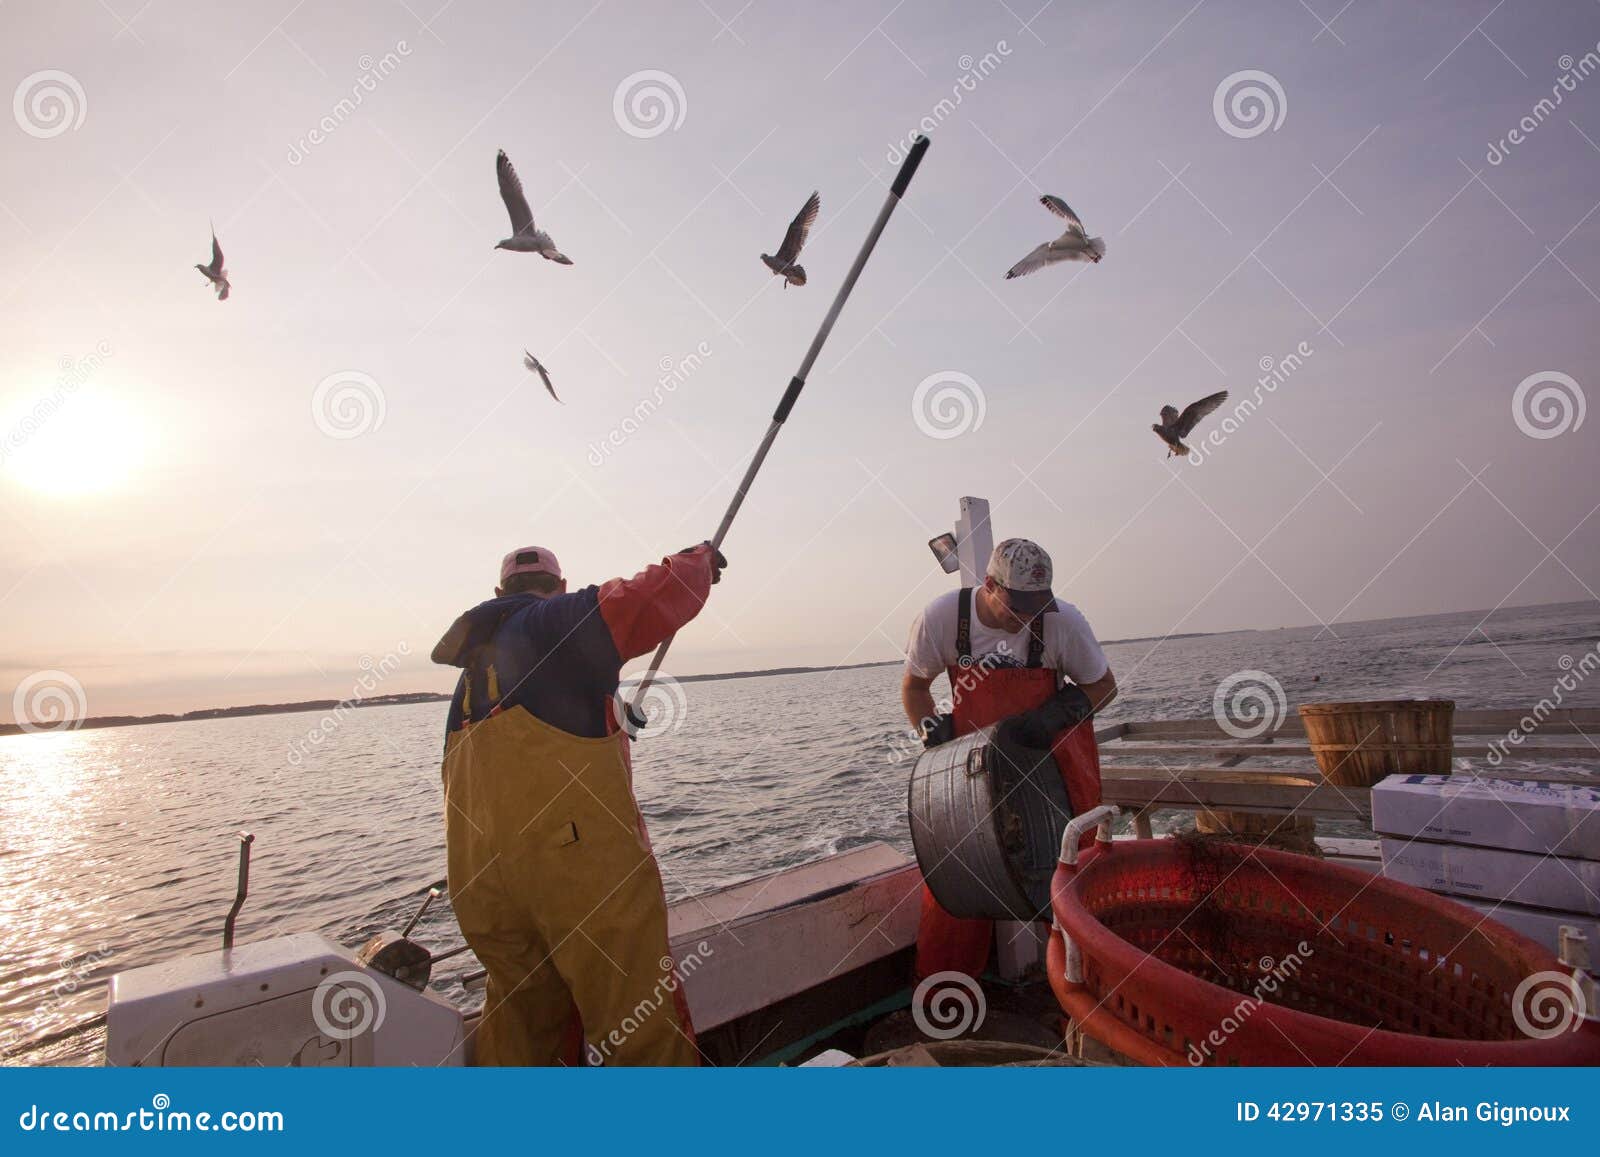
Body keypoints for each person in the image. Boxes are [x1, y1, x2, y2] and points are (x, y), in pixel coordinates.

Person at [430, 541, 725, 1066]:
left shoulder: (468, 682)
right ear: (559, 588)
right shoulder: (550, 622)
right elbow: (639, 601)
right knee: (639, 1022)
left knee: (524, 1025)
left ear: (499, 594)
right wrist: (696, 563)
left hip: (480, 885)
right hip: (575, 874)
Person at [901, 537, 1117, 983]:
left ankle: (1091, 990)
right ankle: (946, 996)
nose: (1028, 619)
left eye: (1038, 607)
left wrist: (1051, 716)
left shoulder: (1064, 622)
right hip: (972, 777)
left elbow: (1103, 687)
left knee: (1067, 883)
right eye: (1017, 607)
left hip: (1048, 770)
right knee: (956, 882)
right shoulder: (943, 618)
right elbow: (915, 688)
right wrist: (932, 734)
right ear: (990, 586)